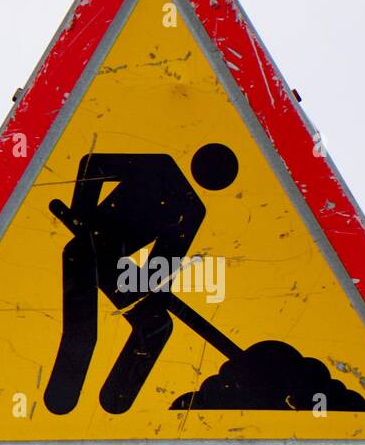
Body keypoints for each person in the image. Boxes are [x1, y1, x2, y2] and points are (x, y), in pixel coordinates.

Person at [44, 143, 238, 415]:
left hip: (113, 263)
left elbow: (162, 267)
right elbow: (93, 163)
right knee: (83, 333)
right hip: (84, 250)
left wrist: (150, 290)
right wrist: (82, 214)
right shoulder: (161, 167)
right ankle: (63, 395)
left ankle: (116, 400)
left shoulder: (192, 209)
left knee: (157, 323)